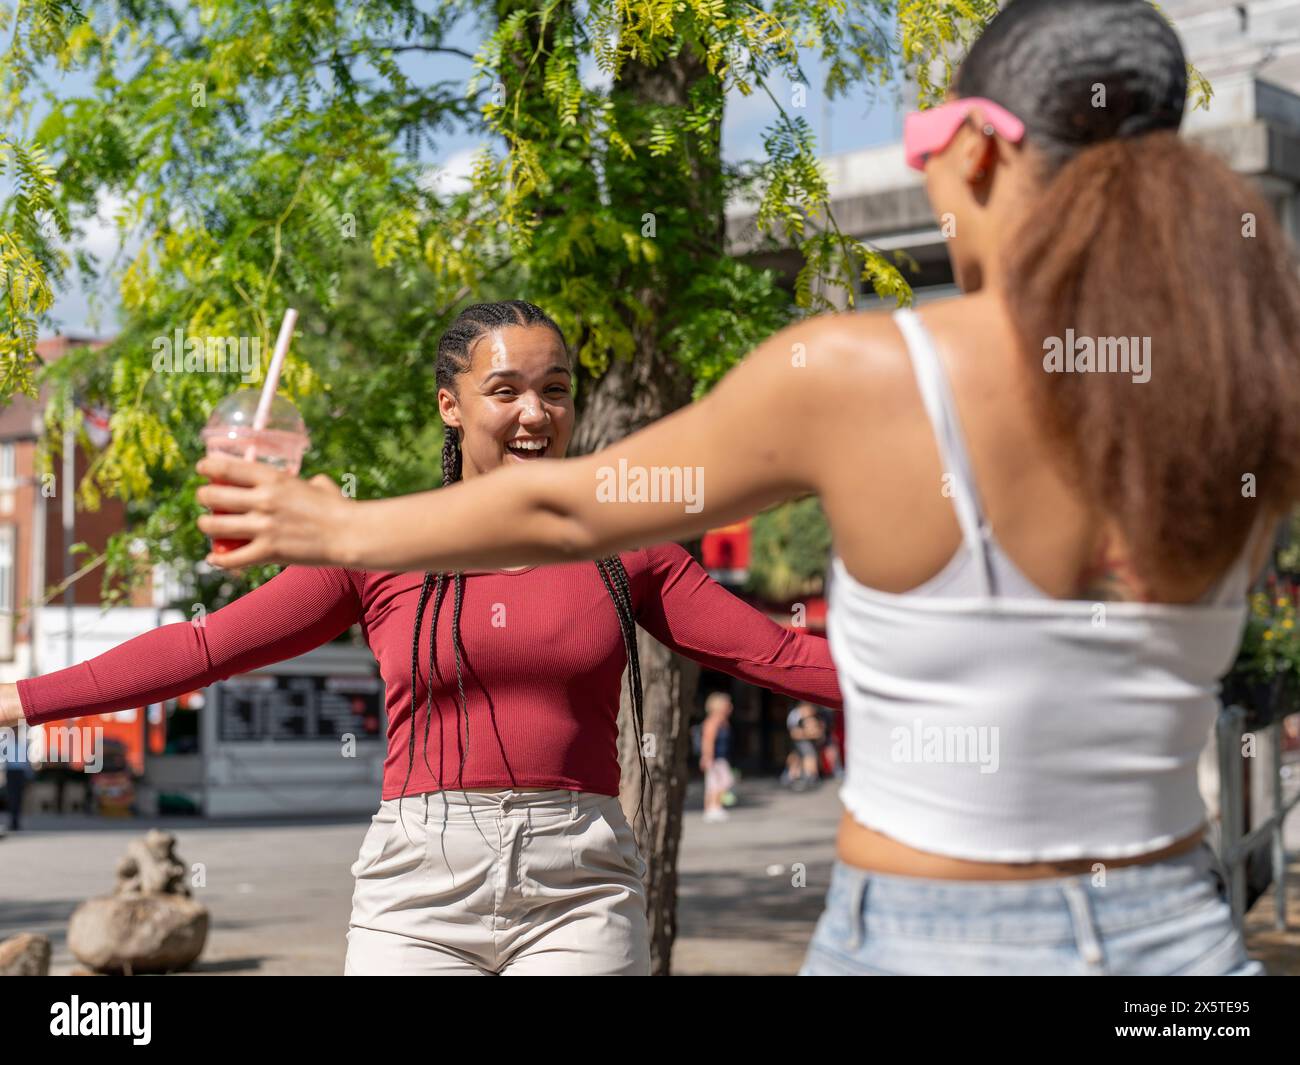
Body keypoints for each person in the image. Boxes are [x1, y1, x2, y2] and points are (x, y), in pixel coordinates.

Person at [190, 0, 1300, 975]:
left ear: (972, 149)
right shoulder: (1245, 382)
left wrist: (330, 524)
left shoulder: (871, 372)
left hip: (925, 938)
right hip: (1177, 933)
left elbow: (566, 507)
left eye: (919, 137)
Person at [0, 300, 841, 975]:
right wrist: (19, 699)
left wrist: (960, 677)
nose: (535, 413)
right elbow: (203, 647)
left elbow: (780, 655)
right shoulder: (377, 543)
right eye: (505, 389)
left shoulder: (630, 548)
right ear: (451, 404)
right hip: (420, 890)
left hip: (578, 885)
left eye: (556, 388)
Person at [699, 692, 735, 822]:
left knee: (720, 782)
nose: (730, 707)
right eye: (727, 705)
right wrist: (707, 757)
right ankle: (712, 808)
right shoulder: (712, 722)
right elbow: (708, 741)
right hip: (715, 758)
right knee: (718, 782)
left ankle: (714, 807)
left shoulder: (724, 722)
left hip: (722, 758)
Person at [784, 703, 821, 791]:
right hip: (800, 743)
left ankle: (804, 778)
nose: (811, 711)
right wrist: (808, 733)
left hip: (805, 742)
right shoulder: (796, 716)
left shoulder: (809, 718)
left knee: (803, 758)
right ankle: (801, 778)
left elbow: (817, 733)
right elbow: (794, 734)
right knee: (804, 758)